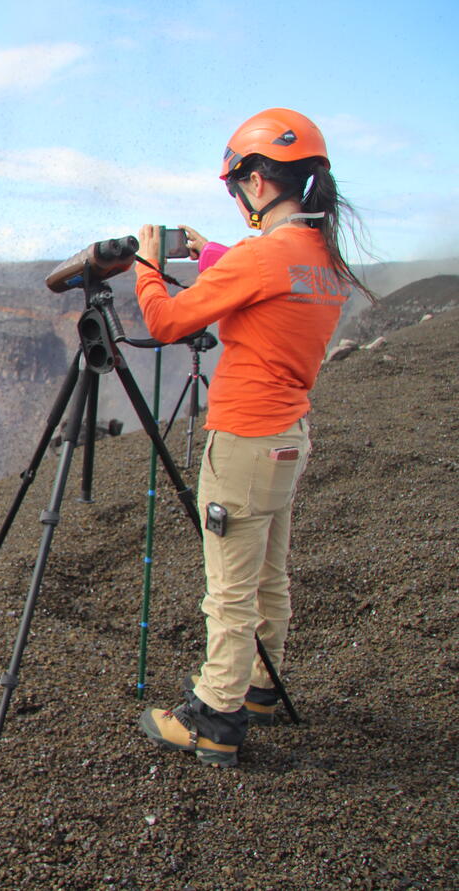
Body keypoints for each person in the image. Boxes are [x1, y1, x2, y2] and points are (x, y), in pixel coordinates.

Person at [133, 107, 375, 767]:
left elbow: (169, 321)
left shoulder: (268, 254)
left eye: (238, 181)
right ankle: (261, 686)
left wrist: (148, 268)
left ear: (260, 180)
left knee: (229, 585)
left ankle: (216, 713)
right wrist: (209, 250)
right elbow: (260, 275)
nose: (237, 194)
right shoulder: (321, 257)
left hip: (244, 438)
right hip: (289, 436)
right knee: (268, 571)